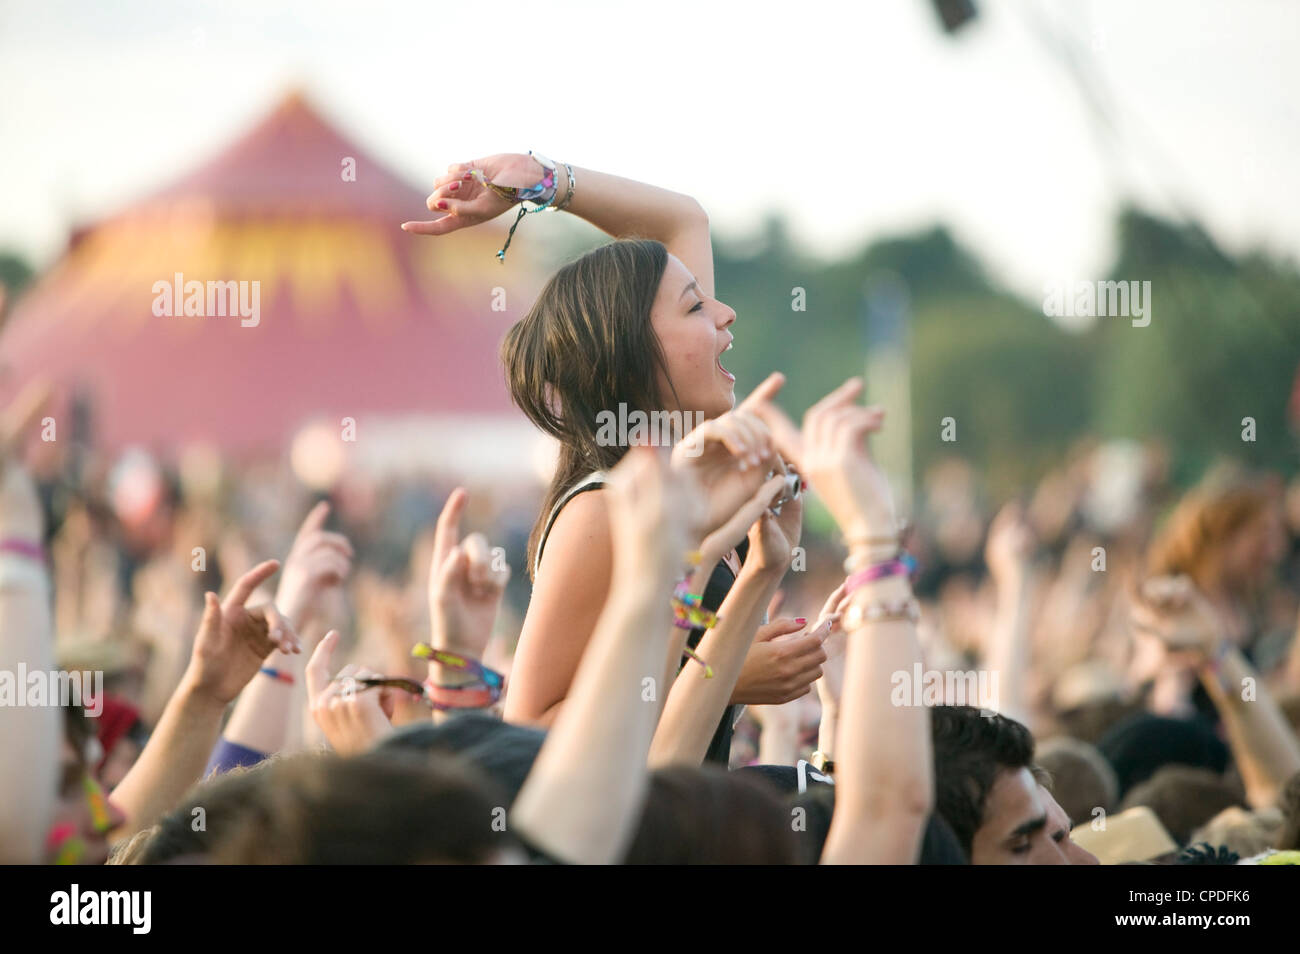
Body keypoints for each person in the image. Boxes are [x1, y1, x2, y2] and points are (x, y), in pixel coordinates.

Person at [404, 153, 826, 763]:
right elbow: (527, 730)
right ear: (633, 354)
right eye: (695, 307)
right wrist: (721, 674)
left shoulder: (682, 474)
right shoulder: (601, 508)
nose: (725, 312)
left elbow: (684, 218)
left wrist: (542, 182)